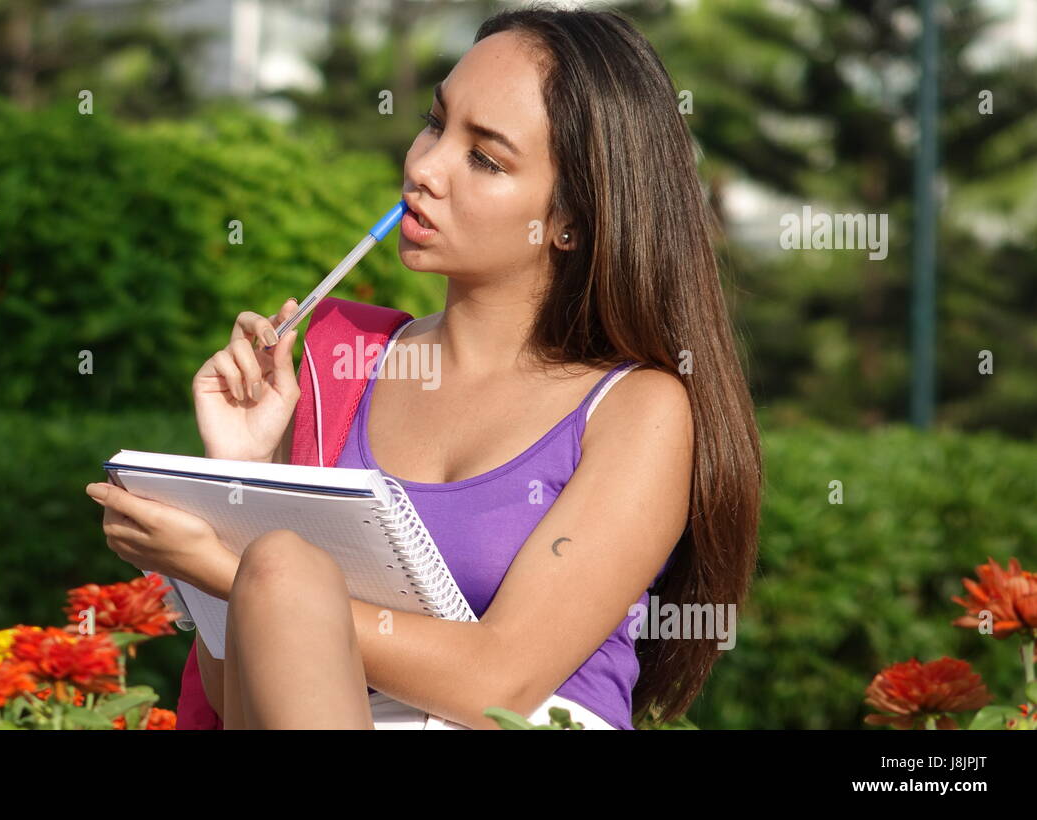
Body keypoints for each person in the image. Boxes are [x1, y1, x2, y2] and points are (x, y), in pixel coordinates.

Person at [85, 3, 761, 730]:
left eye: (485, 158)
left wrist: (224, 567)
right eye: (436, 123)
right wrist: (245, 473)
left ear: (572, 218)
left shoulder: (637, 409)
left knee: (282, 565)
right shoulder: (340, 369)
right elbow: (231, 695)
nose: (423, 167)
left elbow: (498, 681)